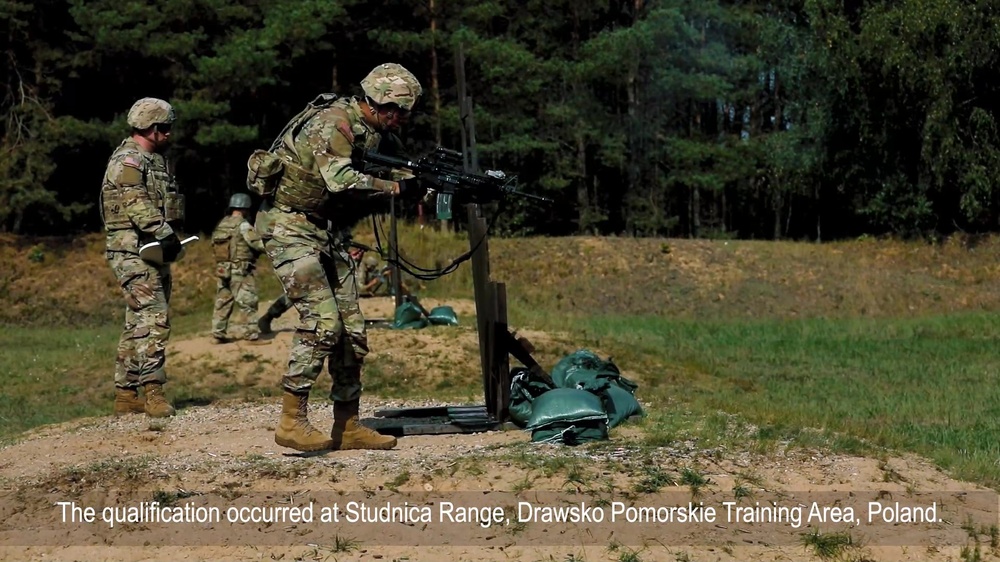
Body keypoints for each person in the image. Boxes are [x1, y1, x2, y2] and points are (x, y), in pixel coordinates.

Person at [253, 62, 423, 452]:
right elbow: (340, 180)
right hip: (289, 227)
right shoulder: (335, 122)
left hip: (325, 230)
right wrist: (396, 190)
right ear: (383, 104)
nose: (402, 120)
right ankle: (291, 421)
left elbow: (388, 172)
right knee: (323, 323)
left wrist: (419, 183)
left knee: (351, 330)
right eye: (400, 111)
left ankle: (347, 424)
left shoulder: (371, 130)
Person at [99, 97, 183, 418]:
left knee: (137, 319)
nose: (169, 135)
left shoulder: (153, 161)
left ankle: (125, 394)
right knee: (154, 317)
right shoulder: (128, 162)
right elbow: (135, 203)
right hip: (133, 250)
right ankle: (153, 393)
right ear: (153, 128)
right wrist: (164, 233)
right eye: (166, 129)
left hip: (151, 250)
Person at [210, 193, 266, 343]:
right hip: (240, 269)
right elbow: (257, 244)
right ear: (246, 208)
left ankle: (217, 334)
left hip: (223, 269)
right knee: (248, 301)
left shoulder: (222, 224)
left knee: (223, 302)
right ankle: (252, 335)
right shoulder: (243, 225)